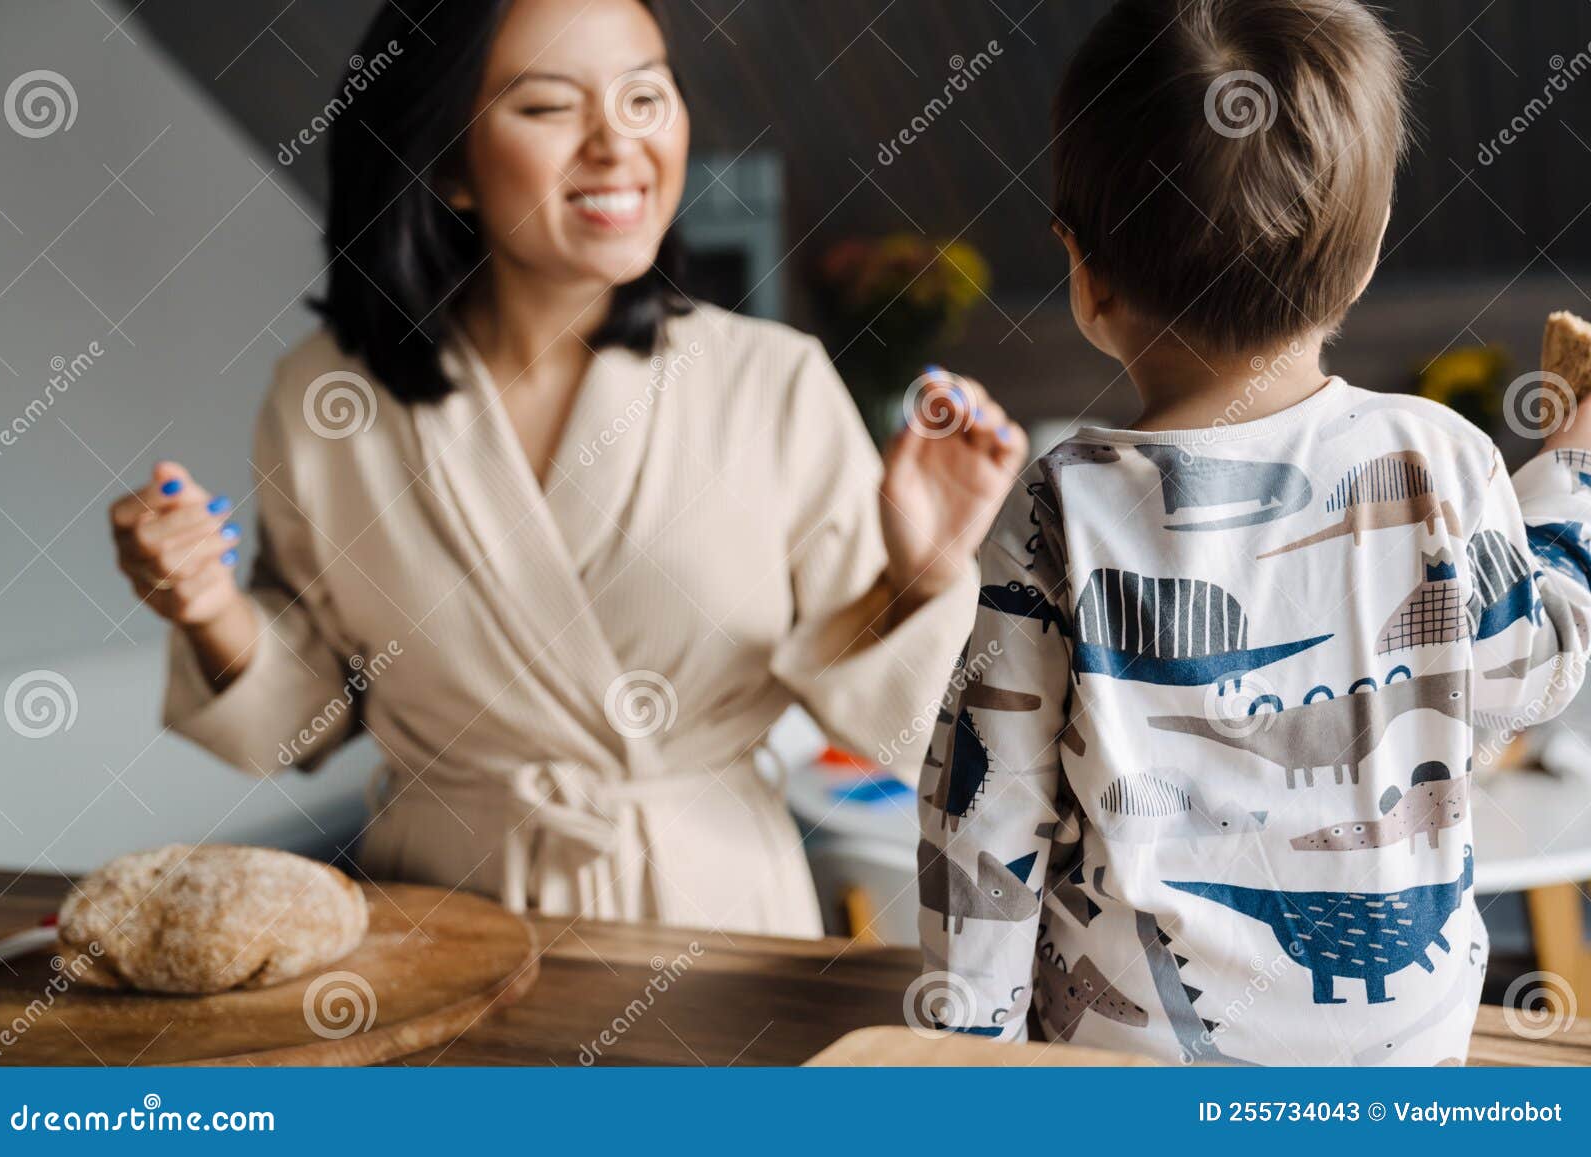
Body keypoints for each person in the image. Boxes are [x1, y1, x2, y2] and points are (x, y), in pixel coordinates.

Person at [107, 0, 1026, 938]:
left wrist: (923, 574)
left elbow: (899, 733)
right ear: (451, 163)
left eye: (645, 94)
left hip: (715, 927)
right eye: (548, 108)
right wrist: (206, 606)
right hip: (437, 929)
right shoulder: (329, 403)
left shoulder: (771, 380)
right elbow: (307, 714)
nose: (617, 143)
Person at [915, 0, 1591, 1063]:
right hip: (1403, 1073)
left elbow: (984, 813)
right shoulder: (1443, 456)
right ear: (1363, 260)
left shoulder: (1061, 505)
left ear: (1086, 276)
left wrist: (967, 1055)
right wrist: (1570, 471)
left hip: (1118, 1079)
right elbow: (1532, 667)